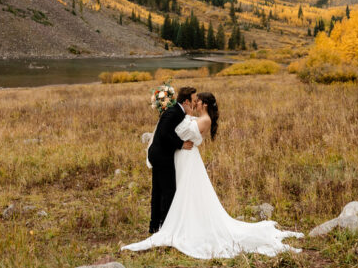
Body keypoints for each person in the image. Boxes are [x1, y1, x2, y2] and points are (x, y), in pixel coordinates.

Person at [123, 91, 303, 259]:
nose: (196, 103)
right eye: (194, 101)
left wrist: (172, 123)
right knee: (176, 191)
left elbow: (183, 131)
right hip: (181, 156)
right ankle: (168, 223)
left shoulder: (205, 120)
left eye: (198, 102)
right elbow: (177, 126)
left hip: (188, 157)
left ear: (205, 105)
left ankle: (181, 225)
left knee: (185, 192)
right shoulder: (192, 116)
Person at [146, 86, 197, 233]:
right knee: (168, 191)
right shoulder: (175, 112)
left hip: (157, 154)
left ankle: (154, 226)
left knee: (158, 191)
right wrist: (181, 144)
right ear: (186, 102)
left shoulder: (177, 110)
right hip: (161, 156)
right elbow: (163, 134)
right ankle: (165, 227)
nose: (195, 103)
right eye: (193, 100)